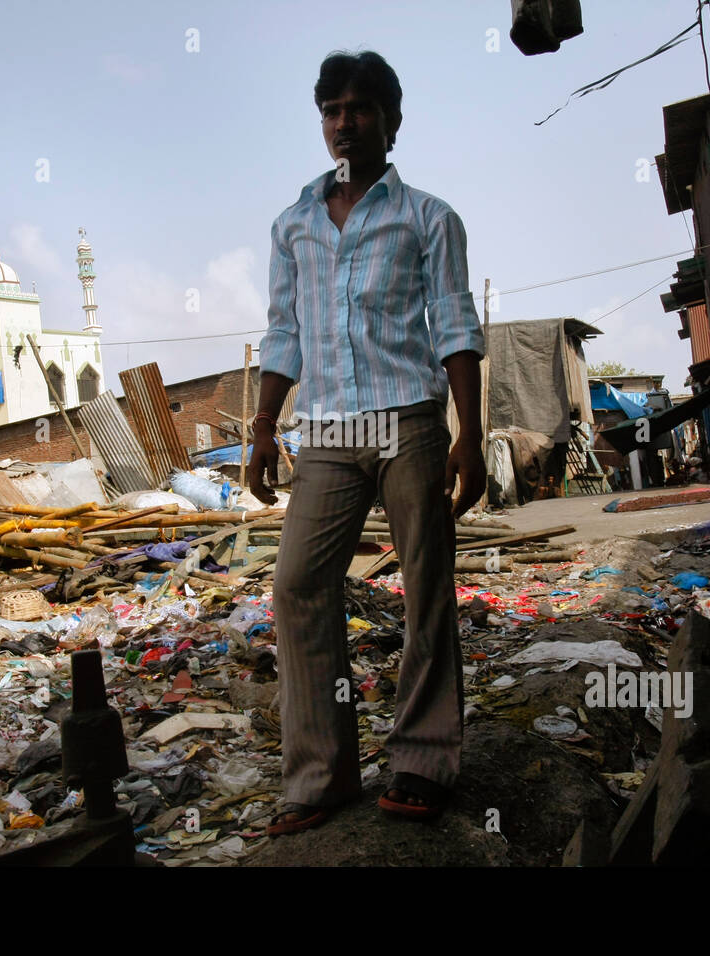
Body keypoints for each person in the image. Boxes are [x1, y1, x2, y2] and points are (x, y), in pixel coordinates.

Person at [247, 50, 486, 835]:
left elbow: (454, 326)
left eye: (359, 107)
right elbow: (283, 334)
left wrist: (470, 433)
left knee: (425, 589)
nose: (345, 122)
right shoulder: (293, 227)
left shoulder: (427, 217)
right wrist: (260, 430)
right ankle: (321, 777)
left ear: (391, 118)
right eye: (332, 110)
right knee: (297, 584)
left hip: (410, 421)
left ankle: (421, 760)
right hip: (327, 434)